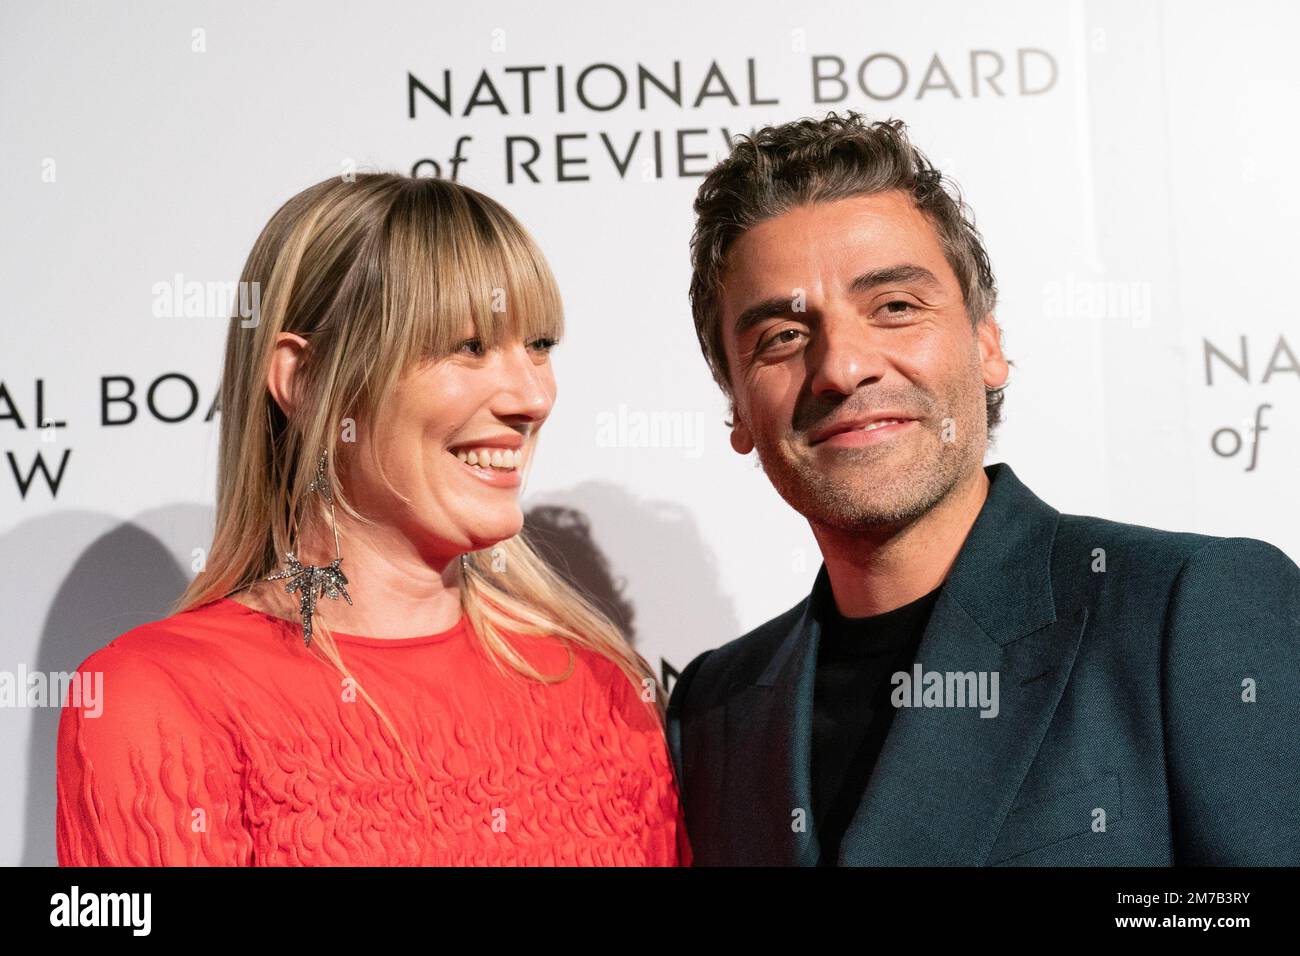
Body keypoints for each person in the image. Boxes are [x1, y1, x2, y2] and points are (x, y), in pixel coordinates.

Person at [667, 111, 1300, 866]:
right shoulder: (713, 708)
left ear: (988, 346)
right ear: (736, 406)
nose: (842, 368)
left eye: (895, 307)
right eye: (783, 336)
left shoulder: (1189, 612)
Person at [56, 173, 688, 866]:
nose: (533, 396)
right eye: (468, 346)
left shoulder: (598, 687)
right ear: (303, 379)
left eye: (538, 345)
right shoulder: (162, 699)